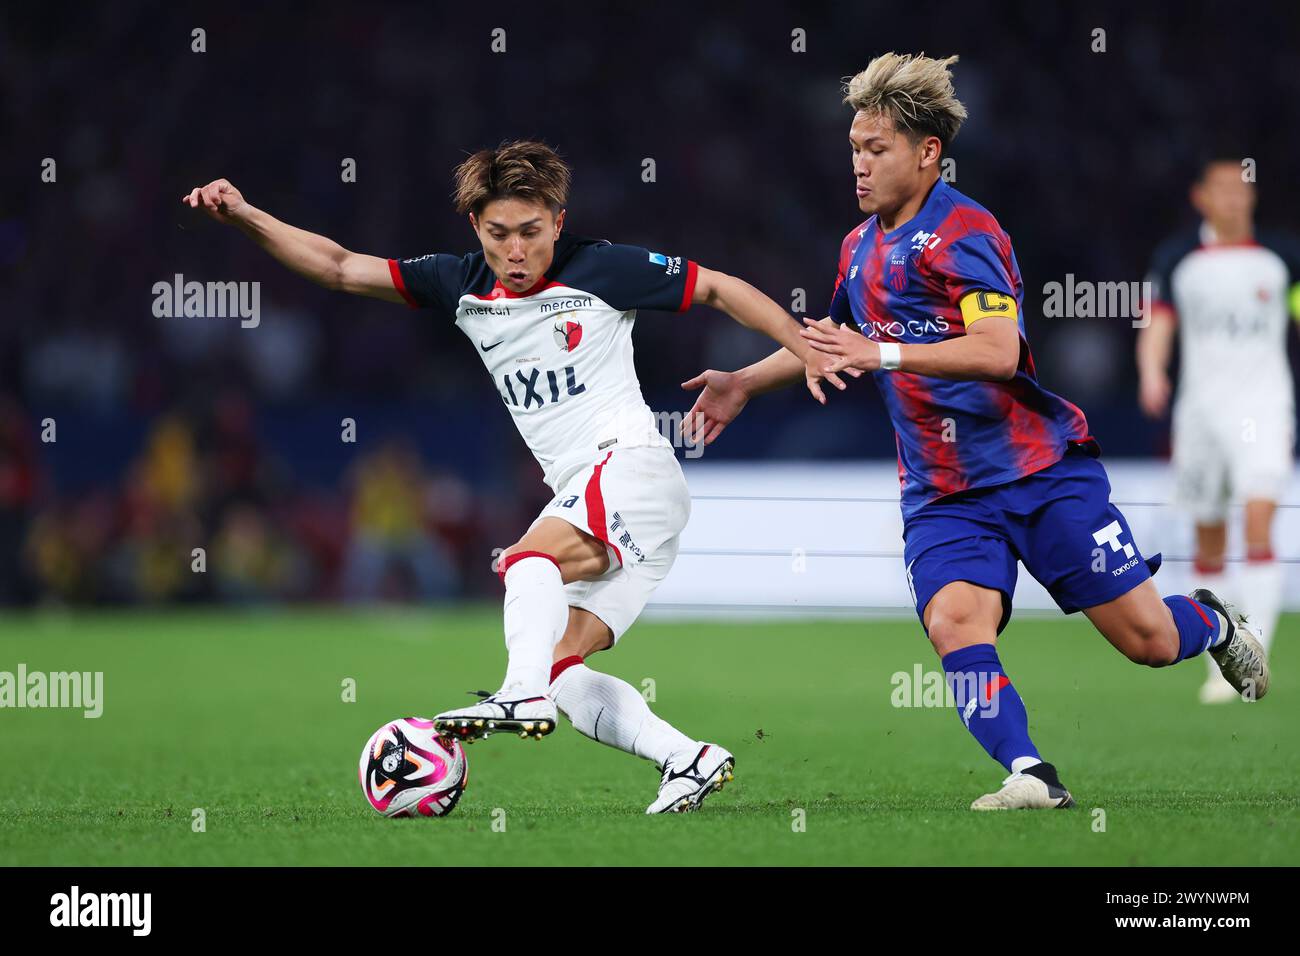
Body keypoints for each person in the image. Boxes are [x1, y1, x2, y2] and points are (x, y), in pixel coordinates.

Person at [683, 53, 1270, 810]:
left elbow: (997, 352)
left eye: (876, 150)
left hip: (1039, 472)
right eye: (854, 150)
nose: (858, 166)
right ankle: (1031, 773)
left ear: (928, 153)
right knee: (955, 621)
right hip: (943, 491)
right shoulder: (860, 247)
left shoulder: (965, 232)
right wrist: (744, 384)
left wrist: (885, 351)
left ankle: (1213, 623)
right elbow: (833, 337)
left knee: (1149, 642)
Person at [182, 140, 838, 812]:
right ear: (476, 228)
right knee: (562, 668)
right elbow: (343, 268)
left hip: (630, 469)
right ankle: (687, 758)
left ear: (557, 220)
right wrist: (244, 215)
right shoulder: (460, 283)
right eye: (499, 234)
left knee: (529, 560)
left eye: (531, 232)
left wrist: (804, 350)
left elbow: (718, 288)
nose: (516, 251)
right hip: (618, 505)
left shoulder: (602, 269)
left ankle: (515, 692)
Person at [1137, 157, 1299, 703]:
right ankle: (1225, 659)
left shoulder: (1282, 257)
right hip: (1201, 414)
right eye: (1223, 190)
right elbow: (1158, 323)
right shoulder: (1178, 258)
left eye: (1243, 189)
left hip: (1265, 406)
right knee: (1210, 537)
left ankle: (1258, 656)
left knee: (1258, 521)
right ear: (1201, 197)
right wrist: (1152, 371)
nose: (1235, 199)